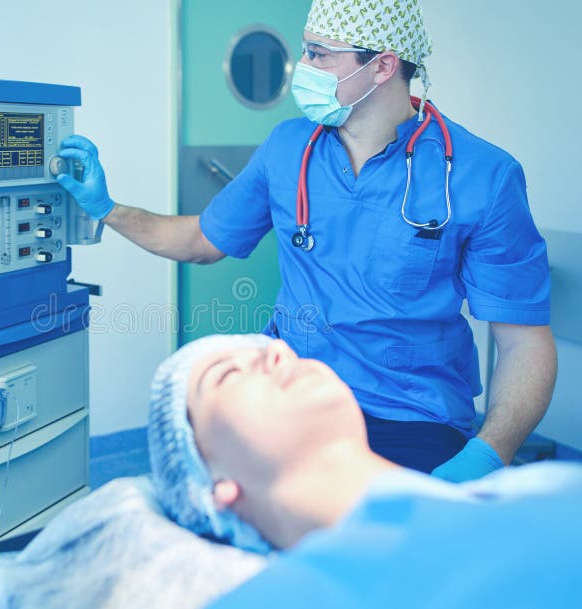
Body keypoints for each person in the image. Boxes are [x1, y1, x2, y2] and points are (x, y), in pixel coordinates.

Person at [57, 0, 558, 481]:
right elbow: (199, 240)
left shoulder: (483, 176)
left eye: (319, 54)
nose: (303, 67)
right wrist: (108, 209)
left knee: (372, 530)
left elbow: (523, 343)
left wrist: (489, 453)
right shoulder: (289, 147)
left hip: (409, 415)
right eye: (305, 50)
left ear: (383, 66)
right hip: (290, 394)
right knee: (217, 503)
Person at [146, 333, 581, 608]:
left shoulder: (550, 489)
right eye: (226, 374)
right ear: (212, 487)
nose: (276, 351)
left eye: (269, 348)